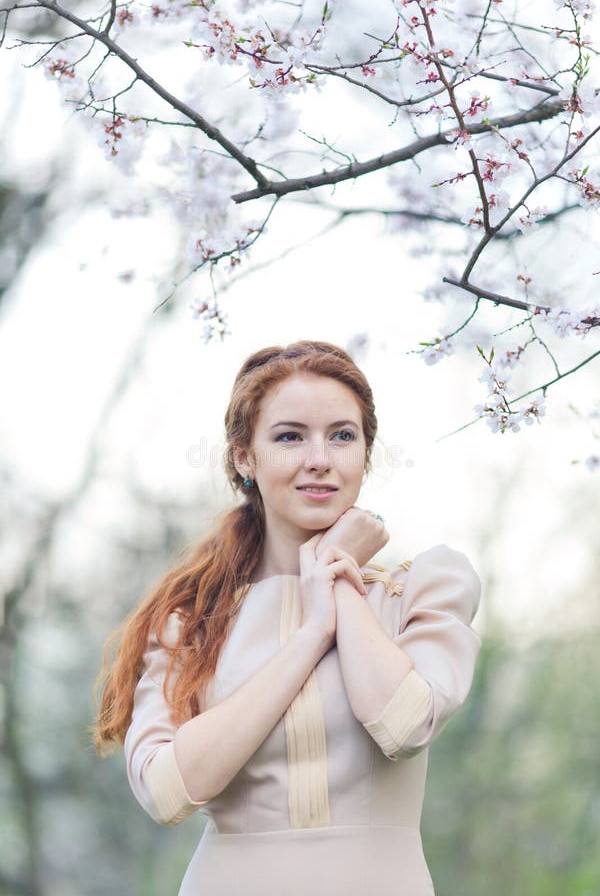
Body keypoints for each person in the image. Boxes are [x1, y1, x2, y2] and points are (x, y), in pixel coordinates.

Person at [94, 340, 482, 896]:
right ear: (244, 457)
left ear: (365, 455)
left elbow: (403, 726)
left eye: (342, 435)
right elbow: (168, 791)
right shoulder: (191, 622)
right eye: (289, 436)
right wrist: (309, 635)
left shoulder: (423, 587)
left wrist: (337, 572)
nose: (319, 457)